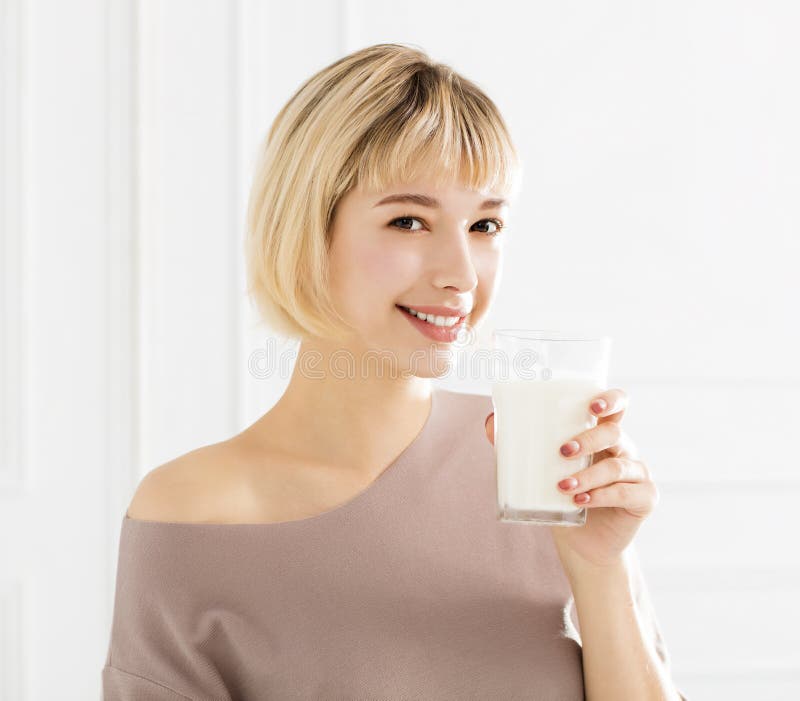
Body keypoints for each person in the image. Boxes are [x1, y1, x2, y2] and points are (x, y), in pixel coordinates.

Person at [102, 42, 687, 700]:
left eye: (485, 224)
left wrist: (600, 566)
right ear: (305, 231)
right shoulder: (191, 516)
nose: (462, 274)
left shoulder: (541, 468)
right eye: (409, 220)